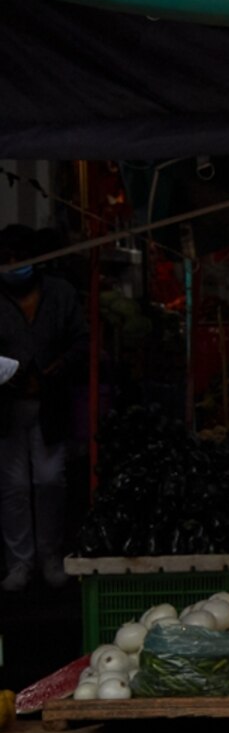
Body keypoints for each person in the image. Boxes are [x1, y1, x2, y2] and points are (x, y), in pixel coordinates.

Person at [0, 227, 84, 592]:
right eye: (8, 260)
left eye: (22, 258)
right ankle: (20, 562)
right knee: (13, 485)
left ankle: (50, 555)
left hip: (50, 403)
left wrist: (60, 367)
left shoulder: (60, 294)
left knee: (50, 480)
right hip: (6, 406)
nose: (15, 266)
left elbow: (82, 340)